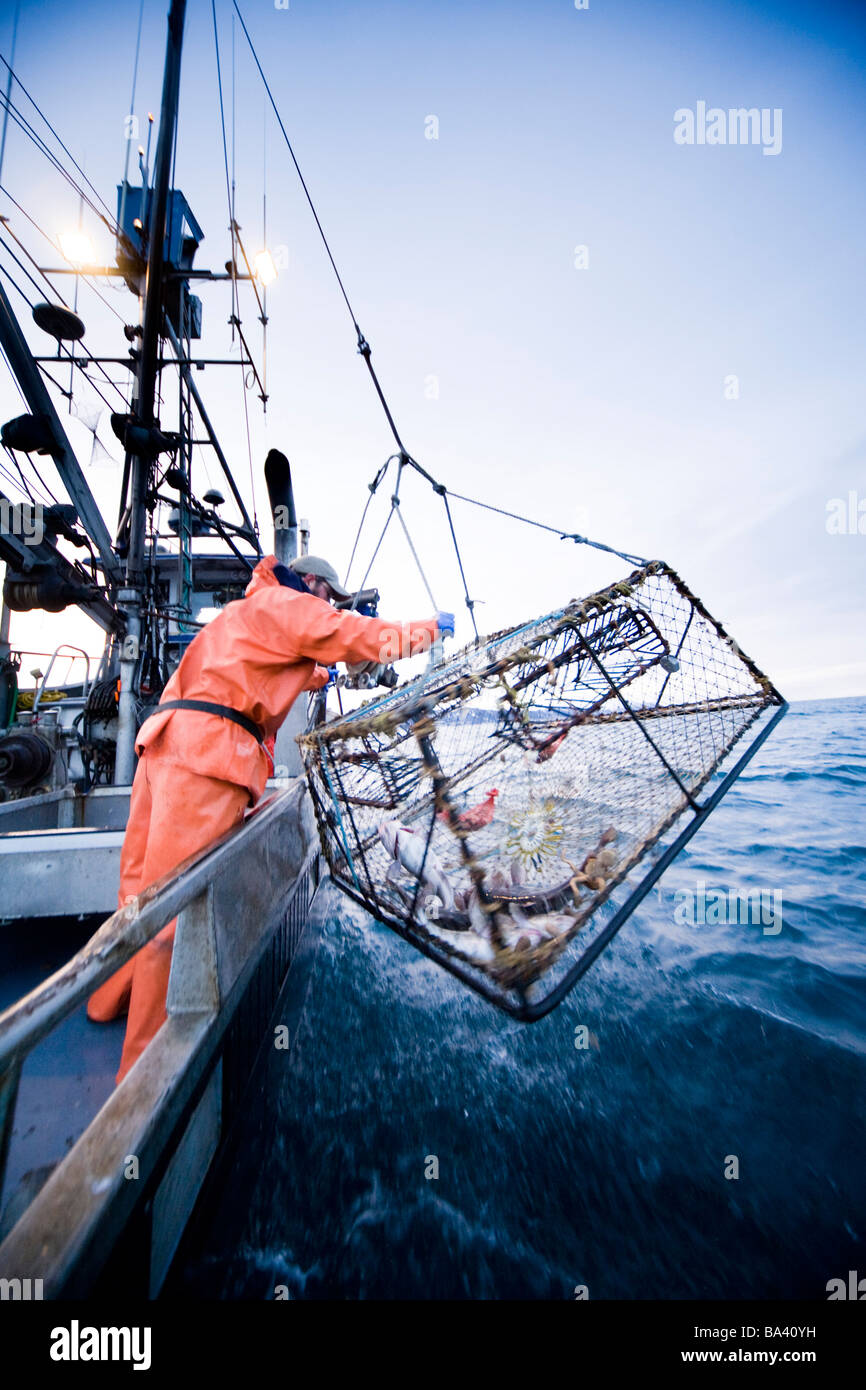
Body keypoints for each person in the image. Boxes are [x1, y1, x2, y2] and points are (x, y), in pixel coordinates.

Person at [87, 551, 453, 1083]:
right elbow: (359, 636)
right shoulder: (291, 603)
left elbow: (258, 667)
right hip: (205, 766)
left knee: (137, 894)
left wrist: (313, 677)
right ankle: (143, 1076)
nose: (328, 604)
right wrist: (426, 631)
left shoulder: (246, 610)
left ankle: (105, 997)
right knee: (173, 913)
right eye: (328, 596)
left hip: (163, 747)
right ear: (311, 584)